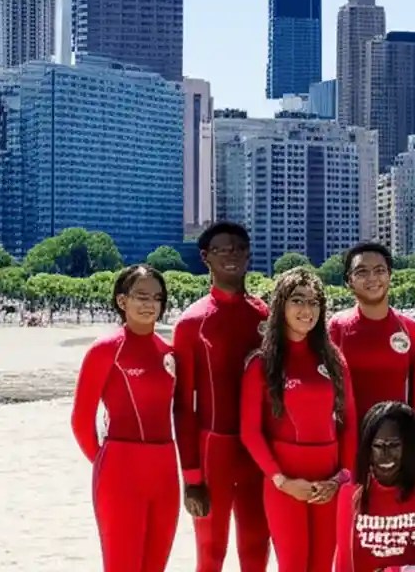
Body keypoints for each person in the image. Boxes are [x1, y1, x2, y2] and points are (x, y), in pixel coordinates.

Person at [240, 268, 358, 572]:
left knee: (321, 566)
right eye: (298, 301)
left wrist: (341, 478)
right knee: (292, 565)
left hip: (329, 482)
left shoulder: (333, 359)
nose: (307, 310)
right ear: (281, 305)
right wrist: (282, 481)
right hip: (285, 484)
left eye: (314, 302)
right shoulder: (262, 364)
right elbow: (250, 432)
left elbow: (349, 424)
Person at [173, 222, 272, 571]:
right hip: (213, 449)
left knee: (257, 546)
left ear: (248, 255)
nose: (231, 254)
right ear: (206, 258)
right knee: (211, 550)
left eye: (238, 248)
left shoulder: (266, 316)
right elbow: (183, 406)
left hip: (258, 452)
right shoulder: (192, 323)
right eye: (221, 249)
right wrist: (192, 478)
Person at [71, 265, 180, 572]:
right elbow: (81, 420)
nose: (149, 304)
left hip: (165, 470)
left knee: (155, 565)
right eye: (141, 296)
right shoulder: (106, 350)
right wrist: (107, 462)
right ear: (122, 301)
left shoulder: (169, 351)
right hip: (120, 470)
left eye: (156, 298)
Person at [335, 401, 415, 572]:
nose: (386, 456)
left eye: (394, 445)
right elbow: (344, 564)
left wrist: (397, 571)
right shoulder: (350, 493)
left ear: (409, 448)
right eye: (378, 446)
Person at [330, 242, 415, 428]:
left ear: (390, 275)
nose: (372, 278)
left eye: (379, 270)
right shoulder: (337, 326)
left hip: (396, 439)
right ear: (349, 281)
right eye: (362, 272)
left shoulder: (413, 331)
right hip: (348, 438)